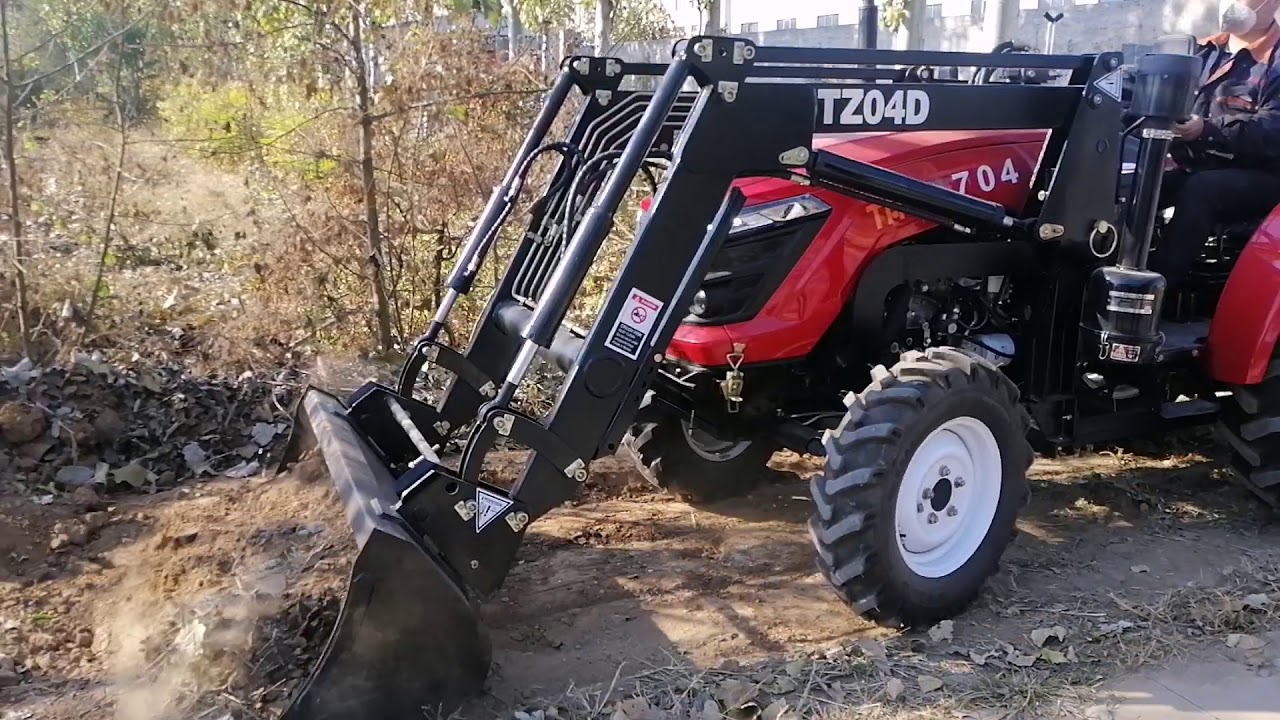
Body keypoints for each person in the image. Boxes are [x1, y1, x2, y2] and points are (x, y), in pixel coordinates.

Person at [1151, 0, 1280, 290]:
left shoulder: (1275, 62)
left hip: (1265, 175)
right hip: (1198, 163)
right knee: (1141, 181)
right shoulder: (1203, 51)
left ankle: (1157, 291)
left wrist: (1206, 130)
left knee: (1203, 189)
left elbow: (1272, 130)